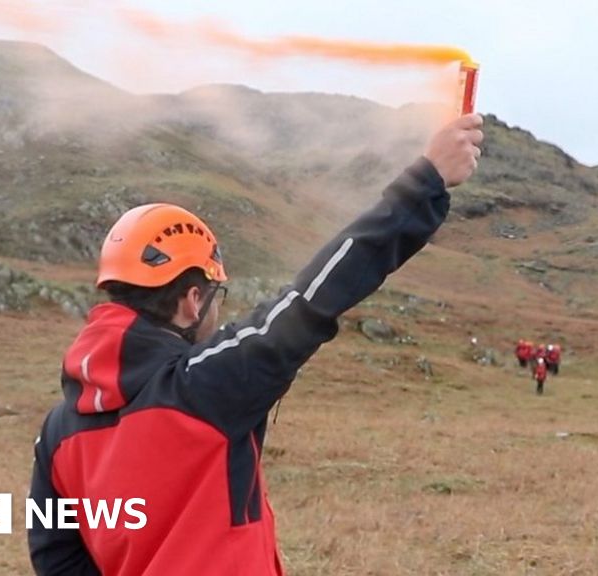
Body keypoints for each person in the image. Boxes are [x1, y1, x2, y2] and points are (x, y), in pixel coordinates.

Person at [27, 113, 484, 575]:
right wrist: (427, 180)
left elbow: (56, 557)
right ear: (192, 300)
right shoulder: (205, 384)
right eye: (216, 296)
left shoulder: (57, 432)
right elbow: (317, 295)